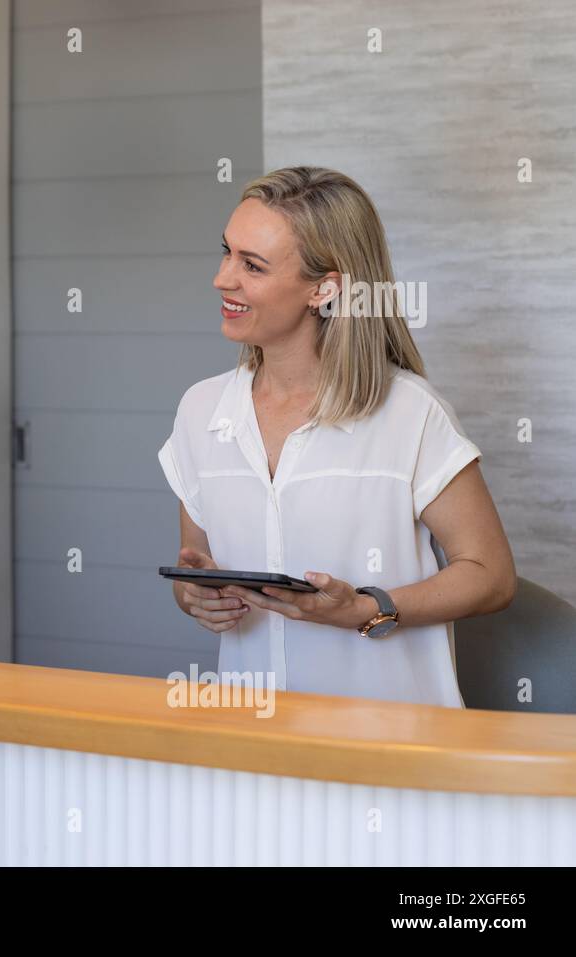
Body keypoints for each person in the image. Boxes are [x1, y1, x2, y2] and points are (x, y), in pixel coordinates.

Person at [159, 166, 516, 707]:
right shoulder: (201, 410)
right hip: (253, 740)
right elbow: (198, 569)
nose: (223, 278)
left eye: (252, 265)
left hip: (391, 745)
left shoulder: (409, 413)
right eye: (227, 252)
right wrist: (195, 596)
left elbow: (490, 576)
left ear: (325, 288)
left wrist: (365, 608)